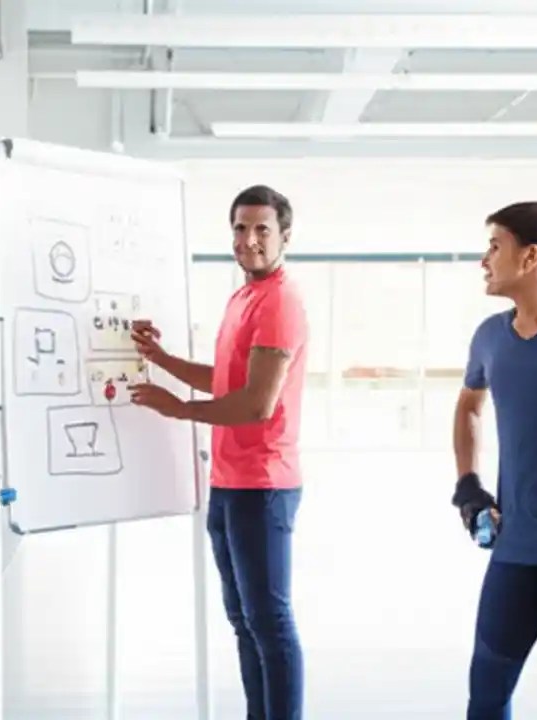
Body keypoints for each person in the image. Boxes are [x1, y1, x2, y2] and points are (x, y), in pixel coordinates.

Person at [130, 185, 309, 720]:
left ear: (284, 237)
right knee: (244, 619)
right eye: (240, 228)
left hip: (265, 484)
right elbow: (226, 380)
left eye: (261, 230)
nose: (249, 240)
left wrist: (177, 410)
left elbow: (256, 404)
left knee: (270, 622)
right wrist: (160, 359)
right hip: (229, 483)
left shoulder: (280, 301)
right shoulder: (243, 297)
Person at [451, 201, 537, 720]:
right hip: (514, 546)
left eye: (494, 246)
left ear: (530, 257)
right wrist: (468, 484)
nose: (485, 259)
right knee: (485, 693)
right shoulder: (489, 335)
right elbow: (468, 404)